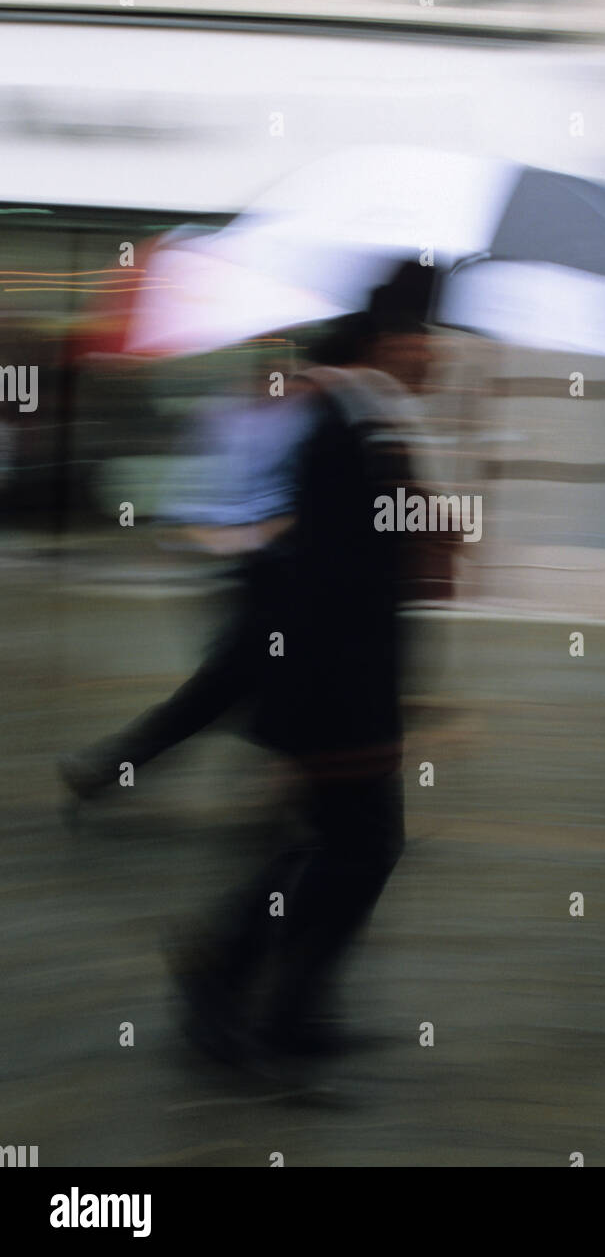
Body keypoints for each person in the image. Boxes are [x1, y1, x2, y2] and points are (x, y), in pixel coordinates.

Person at [62, 261, 443, 1073]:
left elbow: (363, 553)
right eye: (423, 335)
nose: (435, 352)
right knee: (353, 848)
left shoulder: (364, 421)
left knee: (335, 846)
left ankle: (276, 1002)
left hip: (341, 677)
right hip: (331, 680)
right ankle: (238, 989)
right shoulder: (337, 422)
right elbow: (324, 567)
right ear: (386, 340)